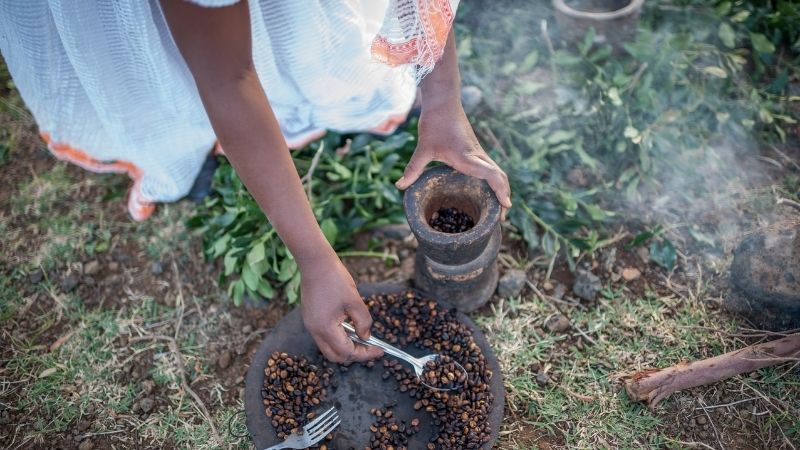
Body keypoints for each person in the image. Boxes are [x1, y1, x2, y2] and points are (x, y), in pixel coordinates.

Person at [0, 0, 511, 363]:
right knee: (176, 80)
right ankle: (195, 144)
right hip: (192, 35)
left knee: (298, 39)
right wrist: (315, 259)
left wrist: (442, 100)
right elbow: (229, 78)